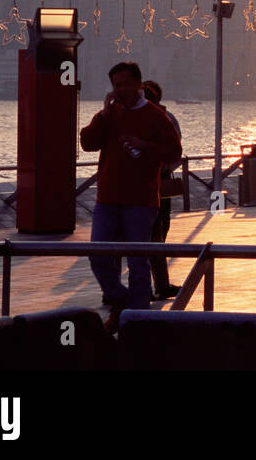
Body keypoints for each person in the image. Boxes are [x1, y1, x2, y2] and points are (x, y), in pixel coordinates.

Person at [80, 61, 182, 333]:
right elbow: (88, 143)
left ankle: (136, 318)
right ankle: (121, 302)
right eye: (116, 85)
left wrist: (146, 146)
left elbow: (174, 152)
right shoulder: (110, 114)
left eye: (126, 84)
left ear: (139, 84)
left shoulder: (156, 116)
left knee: (138, 260)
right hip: (107, 198)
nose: (121, 89)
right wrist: (103, 112)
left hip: (141, 199)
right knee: (98, 255)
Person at [141, 80, 183, 301]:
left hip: (147, 185)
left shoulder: (159, 119)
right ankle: (157, 285)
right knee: (156, 235)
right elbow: (175, 154)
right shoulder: (168, 119)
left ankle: (148, 286)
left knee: (145, 237)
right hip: (157, 185)